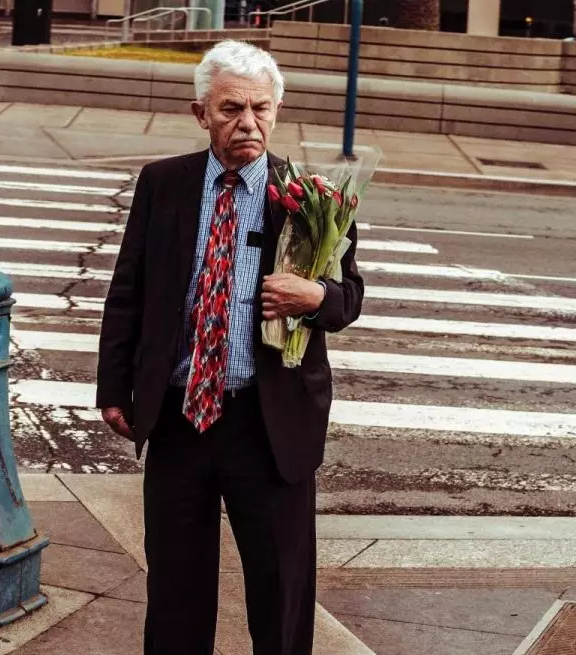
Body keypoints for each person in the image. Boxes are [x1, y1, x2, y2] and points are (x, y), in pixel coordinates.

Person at [96, 39, 363, 655]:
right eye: (231, 109)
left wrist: (314, 296)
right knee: (176, 592)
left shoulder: (312, 196)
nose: (248, 123)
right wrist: (115, 388)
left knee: (280, 591)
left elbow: (349, 299)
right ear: (201, 114)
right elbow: (127, 292)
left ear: (277, 111)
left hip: (268, 426)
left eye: (261, 109)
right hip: (180, 418)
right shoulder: (164, 184)